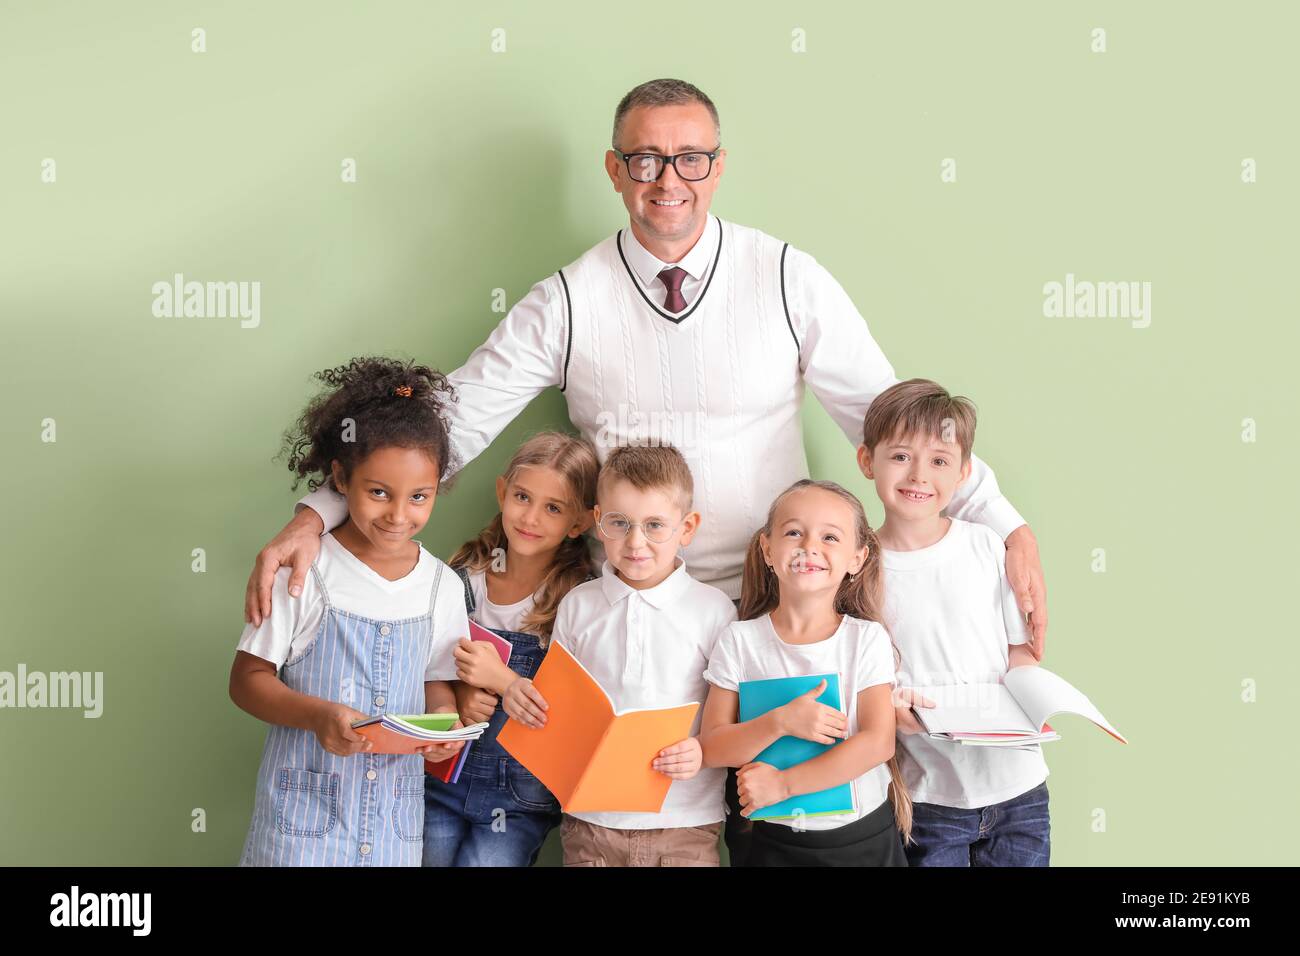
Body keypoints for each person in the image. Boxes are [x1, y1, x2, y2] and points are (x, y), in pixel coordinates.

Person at [243, 77, 1049, 866]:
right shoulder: (568, 298)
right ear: (613, 168)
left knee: (776, 829)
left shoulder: (784, 276)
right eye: (646, 159)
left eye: (691, 158)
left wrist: (1003, 521)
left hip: (774, 612)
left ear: (719, 166)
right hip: (627, 629)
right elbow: (451, 421)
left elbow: (894, 424)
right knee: (633, 830)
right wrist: (318, 512)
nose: (669, 180)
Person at [230, 357, 469, 866]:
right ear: (340, 478)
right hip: (300, 833)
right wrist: (319, 716)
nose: (399, 515)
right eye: (378, 492)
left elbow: (436, 683)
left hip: (393, 832)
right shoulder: (304, 571)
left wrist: (442, 730)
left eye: (419, 497)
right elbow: (247, 679)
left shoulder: (441, 587)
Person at [503, 444, 737, 866]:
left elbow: (730, 714)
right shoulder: (578, 605)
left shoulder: (714, 610)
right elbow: (560, 707)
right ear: (597, 522)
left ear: (687, 528)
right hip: (591, 822)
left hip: (683, 820)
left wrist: (701, 747)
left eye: (654, 525)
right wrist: (523, 700)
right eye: (619, 523)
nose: (635, 542)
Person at [858, 379, 1049, 866]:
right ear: (867, 461)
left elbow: (1019, 652)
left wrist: (1036, 698)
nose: (919, 475)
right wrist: (886, 707)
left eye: (939, 461)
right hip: (927, 799)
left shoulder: (987, 547)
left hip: (1019, 791)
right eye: (900, 456)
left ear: (964, 473)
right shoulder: (860, 568)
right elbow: (857, 675)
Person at [698, 479, 908, 866]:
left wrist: (784, 784)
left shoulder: (865, 640)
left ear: (857, 559)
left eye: (830, 537)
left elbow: (878, 743)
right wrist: (780, 722)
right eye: (794, 532)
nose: (810, 546)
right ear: (768, 549)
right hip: (770, 843)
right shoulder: (739, 640)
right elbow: (711, 747)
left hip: (862, 841)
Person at [423, 431, 598, 866]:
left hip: (520, 800)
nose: (531, 517)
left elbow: (580, 714)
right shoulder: (463, 578)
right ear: (503, 492)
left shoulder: (579, 599)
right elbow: (423, 667)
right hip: (442, 783)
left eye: (553, 508)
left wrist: (502, 680)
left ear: (578, 524)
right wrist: (459, 695)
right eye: (522, 496)